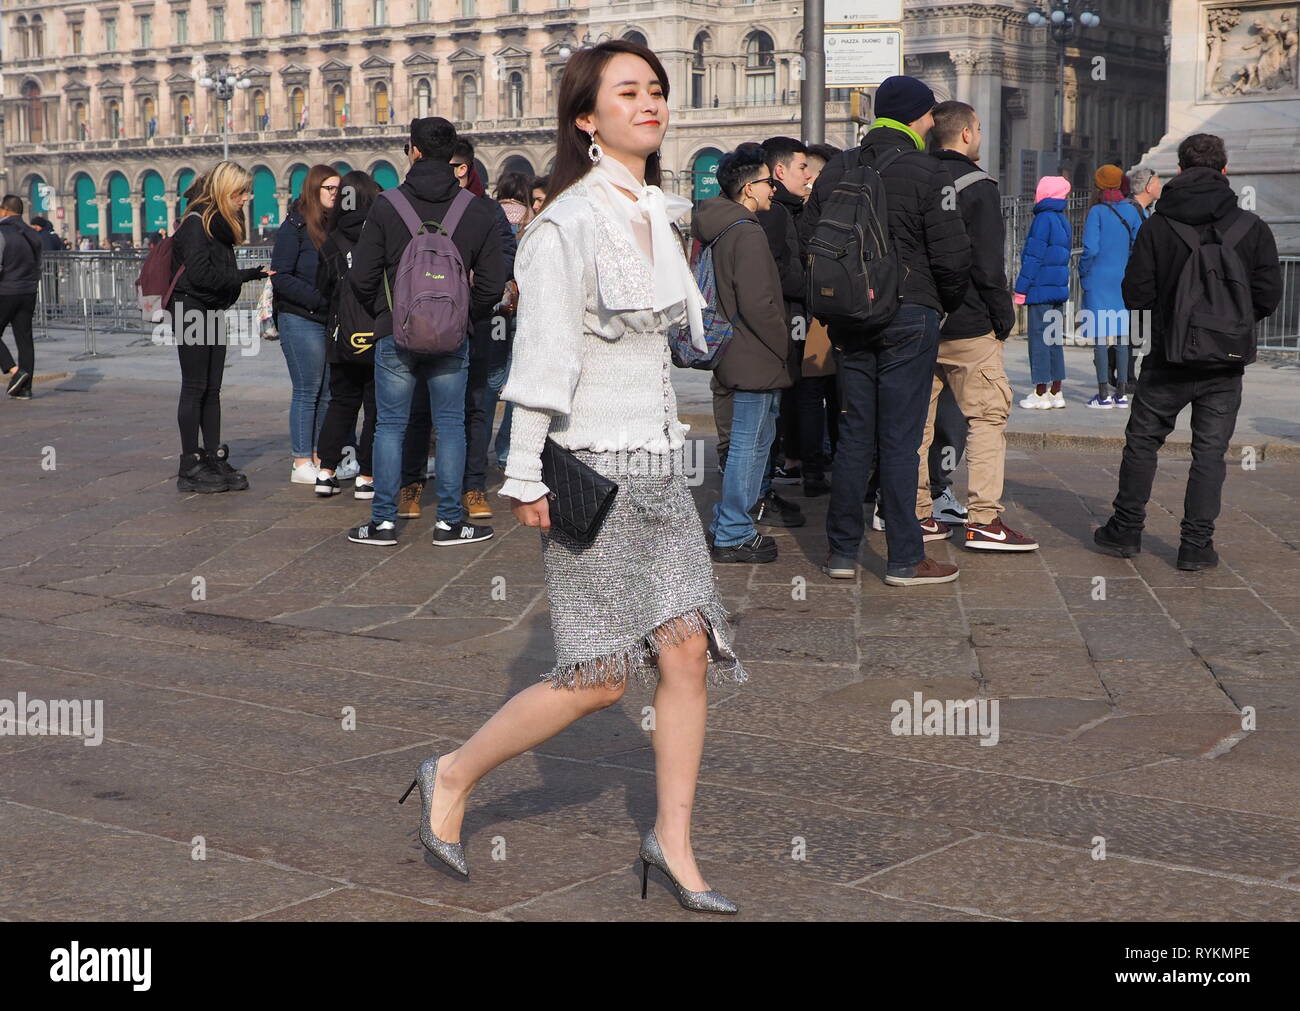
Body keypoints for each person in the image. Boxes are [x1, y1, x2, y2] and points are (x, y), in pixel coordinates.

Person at [403, 40, 742, 915]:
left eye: (658, 89)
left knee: (689, 652)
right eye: (629, 90)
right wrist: (523, 474)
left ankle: (672, 839)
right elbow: (542, 357)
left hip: (663, 467)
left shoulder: (659, 213)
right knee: (599, 679)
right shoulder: (567, 223)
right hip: (591, 469)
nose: (652, 101)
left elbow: (669, 345)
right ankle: (452, 770)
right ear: (586, 118)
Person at [803, 74, 972, 586]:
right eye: (928, 115)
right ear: (918, 118)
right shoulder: (929, 170)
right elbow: (952, 255)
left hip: (851, 319)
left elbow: (810, 236)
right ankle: (904, 557)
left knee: (854, 434)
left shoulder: (837, 168)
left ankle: (839, 552)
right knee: (900, 441)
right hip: (909, 316)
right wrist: (939, 303)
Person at [1095, 133, 1282, 571]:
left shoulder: (1158, 225)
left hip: (1168, 356)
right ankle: (1196, 546)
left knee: (1143, 442)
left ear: (1178, 171)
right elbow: (1269, 294)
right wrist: (1229, 324)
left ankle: (1125, 531)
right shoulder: (1251, 228)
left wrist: (1173, 312)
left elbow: (1136, 293)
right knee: (1209, 452)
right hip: (1226, 362)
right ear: (1225, 170)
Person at [346, 116, 505, 547]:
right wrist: (465, 317)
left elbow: (361, 276)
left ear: (413, 150)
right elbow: (493, 281)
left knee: (390, 425)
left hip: (395, 334)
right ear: (452, 154)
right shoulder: (477, 209)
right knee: (453, 424)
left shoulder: (386, 204)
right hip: (454, 336)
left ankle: (382, 523)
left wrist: (387, 314)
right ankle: (450, 523)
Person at [919, 102, 1036, 551]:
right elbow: (988, 263)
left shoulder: (914, 176)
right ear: (966, 134)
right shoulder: (978, 185)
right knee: (987, 417)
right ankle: (984, 520)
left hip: (919, 320)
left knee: (917, 423)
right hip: (969, 323)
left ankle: (916, 513)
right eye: (981, 128)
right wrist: (1001, 314)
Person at [695, 144, 795, 563]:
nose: (773, 189)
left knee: (748, 441)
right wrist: (784, 346)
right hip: (755, 353)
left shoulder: (720, 225)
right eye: (768, 182)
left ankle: (727, 522)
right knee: (750, 444)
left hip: (737, 351)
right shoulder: (747, 231)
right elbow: (759, 304)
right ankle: (733, 529)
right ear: (748, 188)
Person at [169, 162, 271, 492]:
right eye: (241, 192)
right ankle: (189, 465)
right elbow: (201, 276)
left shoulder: (218, 225)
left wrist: (248, 275)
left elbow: (217, 274)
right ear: (225, 192)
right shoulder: (196, 224)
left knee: (212, 389)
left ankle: (211, 456)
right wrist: (243, 276)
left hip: (211, 308)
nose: (247, 197)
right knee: (195, 386)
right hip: (191, 309)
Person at [314, 170, 381, 500]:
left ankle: (326, 472)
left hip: (342, 338)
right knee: (374, 408)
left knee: (341, 404)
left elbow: (321, 289)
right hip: (376, 334)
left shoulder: (332, 240)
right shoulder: (380, 236)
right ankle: (366, 476)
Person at [461, 169, 521, 521]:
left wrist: (482, 297)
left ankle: (473, 482)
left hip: (485, 318)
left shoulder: (488, 211)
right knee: (470, 401)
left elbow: (504, 256)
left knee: (484, 398)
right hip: (473, 318)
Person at [273, 163, 338, 484]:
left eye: (339, 189)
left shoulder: (334, 226)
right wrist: (316, 299)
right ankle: (300, 459)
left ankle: (317, 455)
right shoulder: (294, 226)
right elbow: (280, 276)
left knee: (327, 390)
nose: (335, 194)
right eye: (329, 188)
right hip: (300, 316)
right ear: (314, 190)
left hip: (326, 318)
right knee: (307, 388)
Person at [1079, 164, 1145, 409]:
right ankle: (1122, 393)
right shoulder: (1131, 210)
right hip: (1122, 279)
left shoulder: (1096, 211)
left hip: (1098, 279)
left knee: (1100, 338)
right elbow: (1140, 244)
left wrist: (1083, 271)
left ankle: (1103, 393)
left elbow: (1090, 249)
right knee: (1121, 337)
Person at [1014, 176, 1072, 410]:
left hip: (1040, 289)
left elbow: (1033, 257)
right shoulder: (1062, 220)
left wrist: (1020, 289)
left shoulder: (1042, 220)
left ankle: (1040, 393)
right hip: (1057, 289)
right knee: (1054, 340)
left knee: (1038, 341)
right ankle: (1056, 391)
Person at [0, 196, 42, 400]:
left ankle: (15, 371)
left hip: (6, 290)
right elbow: (38, 263)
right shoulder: (32, 234)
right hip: (29, 290)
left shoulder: (2, 232)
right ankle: (25, 389)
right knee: (24, 339)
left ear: (5, 211)